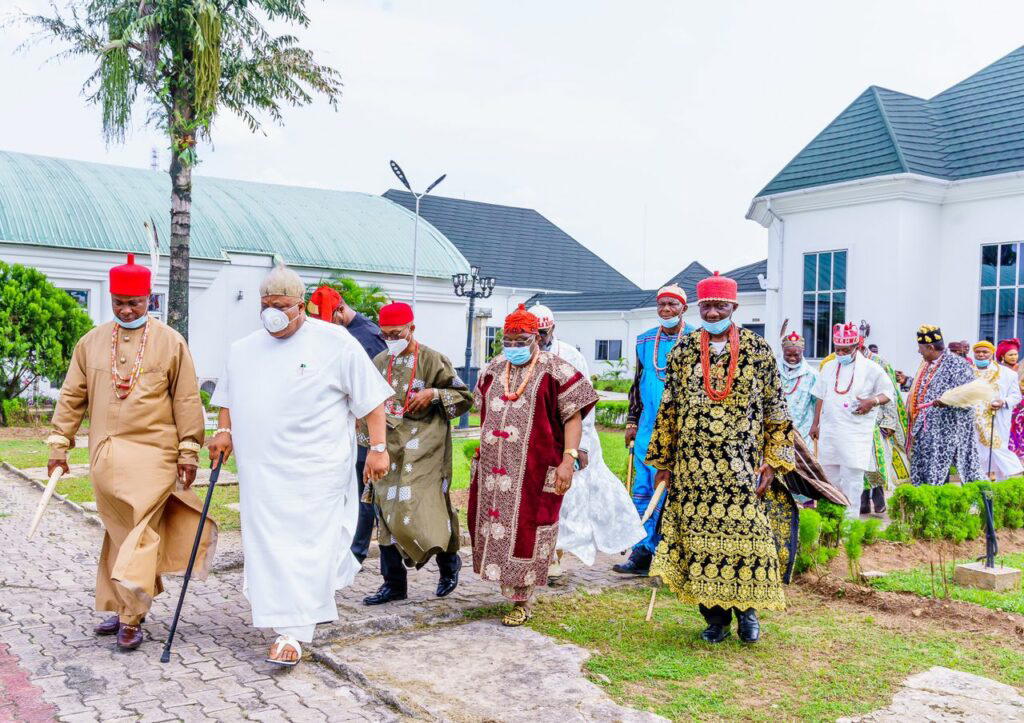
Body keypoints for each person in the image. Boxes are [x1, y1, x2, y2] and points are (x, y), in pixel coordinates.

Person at [207, 261, 394, 666]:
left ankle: (293, 632)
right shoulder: (244, 349)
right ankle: (283, 619)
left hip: (316, 472)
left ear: (302, 305)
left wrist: (378, 448)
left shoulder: (336, 342)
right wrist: (223, 431)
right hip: (261, 476)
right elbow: (227, 396)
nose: (272, 312)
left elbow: (372, 400)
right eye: (266, 304)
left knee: (307, 548)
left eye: (281, 305)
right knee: (269, 548)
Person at [47, 254, 211, 652]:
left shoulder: (171, 342)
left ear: (148, 299)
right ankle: (121, 604)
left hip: (155, 455)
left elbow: (187, 399)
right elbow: (72, 397)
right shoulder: (91, 342)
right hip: (105, 455)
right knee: (121, 535)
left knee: (139, 533)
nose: (125, 309)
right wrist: (59, 443)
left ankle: (131, 617)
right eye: (119, 301)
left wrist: (188, 451)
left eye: (133, 302)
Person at [647, 272, 798, 645]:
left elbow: (775, 406)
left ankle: (748, 613)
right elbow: (668, 408)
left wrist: (773, 460)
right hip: (692, 469)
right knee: (700, 543)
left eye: (720, 306)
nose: (713, 313)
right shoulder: (682, 351)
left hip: (741, 467)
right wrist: (664, 462)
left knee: (747, 540)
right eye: (707, 307)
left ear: (734, 307)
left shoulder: (757, 349)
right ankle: (715, 619)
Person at [469, 304, 598, 626]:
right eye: (507, 341)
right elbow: (479, 409)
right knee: (494, 528)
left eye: (520, 340)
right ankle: (506, 588)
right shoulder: (492, 369)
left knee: (529, 528)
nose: (513, 347)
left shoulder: (558, 371)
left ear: (536, 338)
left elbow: (573, 418)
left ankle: (522, 600)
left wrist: (569, 459)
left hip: (536, 468)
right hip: (494, 470)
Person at [362, 302, 472, 605]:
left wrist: (434, 394)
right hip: (389, 447)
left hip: (426, 448)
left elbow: (465, 397)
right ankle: (394, 583)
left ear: (412, 328)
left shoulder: (434, 359)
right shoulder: (380, 361)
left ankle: (449, 565)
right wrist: (370, 450)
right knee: (385, 510)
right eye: (385, 334)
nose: (391, 339)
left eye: (396, 333)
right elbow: (367, 407)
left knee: (427, 507)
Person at [528, 304, 645, 574]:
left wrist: (578, 447)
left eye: (542, 333)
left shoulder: (570, 356)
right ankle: (539, 554)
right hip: (535, 440)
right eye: (532, 334)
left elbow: (584, 406)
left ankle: (555, 555)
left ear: (552, 329)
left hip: (568, 437)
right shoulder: (521, 356)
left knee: (566, 499)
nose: (537, 339)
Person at [617, 284, 696, 576]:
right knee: (643, 488)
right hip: (648, 428)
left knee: (674, 491)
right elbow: (637, 384)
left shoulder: (697, 339)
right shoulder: (644, 340)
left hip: (683, 430)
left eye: (672, 305)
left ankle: (672, 556)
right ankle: (642, 553)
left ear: (683, 309)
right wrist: (632, 421)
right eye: (661, 304)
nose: (666, 310)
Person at [310, 285, 388, 564]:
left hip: (367, 426)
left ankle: (357, 551)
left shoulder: (367, 337)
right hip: (341, 425)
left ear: (341, 310)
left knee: (363, 489)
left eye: (329, 320)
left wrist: (362, 421)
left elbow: (378, 385)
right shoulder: (335, 334)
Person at [809, 323, 895, 520]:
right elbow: (820, 396)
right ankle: (830, 522)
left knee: (852, 480)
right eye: (838, 349)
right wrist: (815, 424)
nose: (841, 353)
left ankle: (849, 526)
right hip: (830, 431)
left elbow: (887, 393)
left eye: (846, 350)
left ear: (856, 347)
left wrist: (871, 402)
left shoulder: (872, 368)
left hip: (855, 433)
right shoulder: (829, 366)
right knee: (829, 478)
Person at [907, 325, 984, 486]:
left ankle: (980, 503)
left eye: (921, 348)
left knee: (967, 470)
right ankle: (929, 504)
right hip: (927, 429)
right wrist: (906, 381)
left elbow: (968, 397)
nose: (918, 352)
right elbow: (924, 389)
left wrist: (946, 402)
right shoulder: (927, 364)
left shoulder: (958, 364)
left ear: (930, 347)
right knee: (925, 471)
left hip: (950, 430)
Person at [859, 327, 910, 515]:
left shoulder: (880, 363)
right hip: (855, 420)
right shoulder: (841, 363)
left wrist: (889, 421)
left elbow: (891, 394)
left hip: (878, 419)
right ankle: (863, 501)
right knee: (860, 463)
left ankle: (879, 500)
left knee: (878, 461)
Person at [972, 341, 1024, 480]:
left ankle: (1006, 489)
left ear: (992, 353)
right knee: (977, 456)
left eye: (985, 352)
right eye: (978, 352)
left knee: (999, 452)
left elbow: (1016, 396)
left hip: (998, 420)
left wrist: (1003, 402)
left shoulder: (1007, 374)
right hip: (974, 422)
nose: (981, 355)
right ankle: (980, 493)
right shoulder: (967, 372)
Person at [779, 331, 819, 440]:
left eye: (796, 355)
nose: (792, 358)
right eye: (788, 355)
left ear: (803, 351)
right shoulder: (773, 371)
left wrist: (816, 425)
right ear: (783, 351)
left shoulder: (812, 375)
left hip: (803, 431)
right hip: (776, 430)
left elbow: (818, 403)